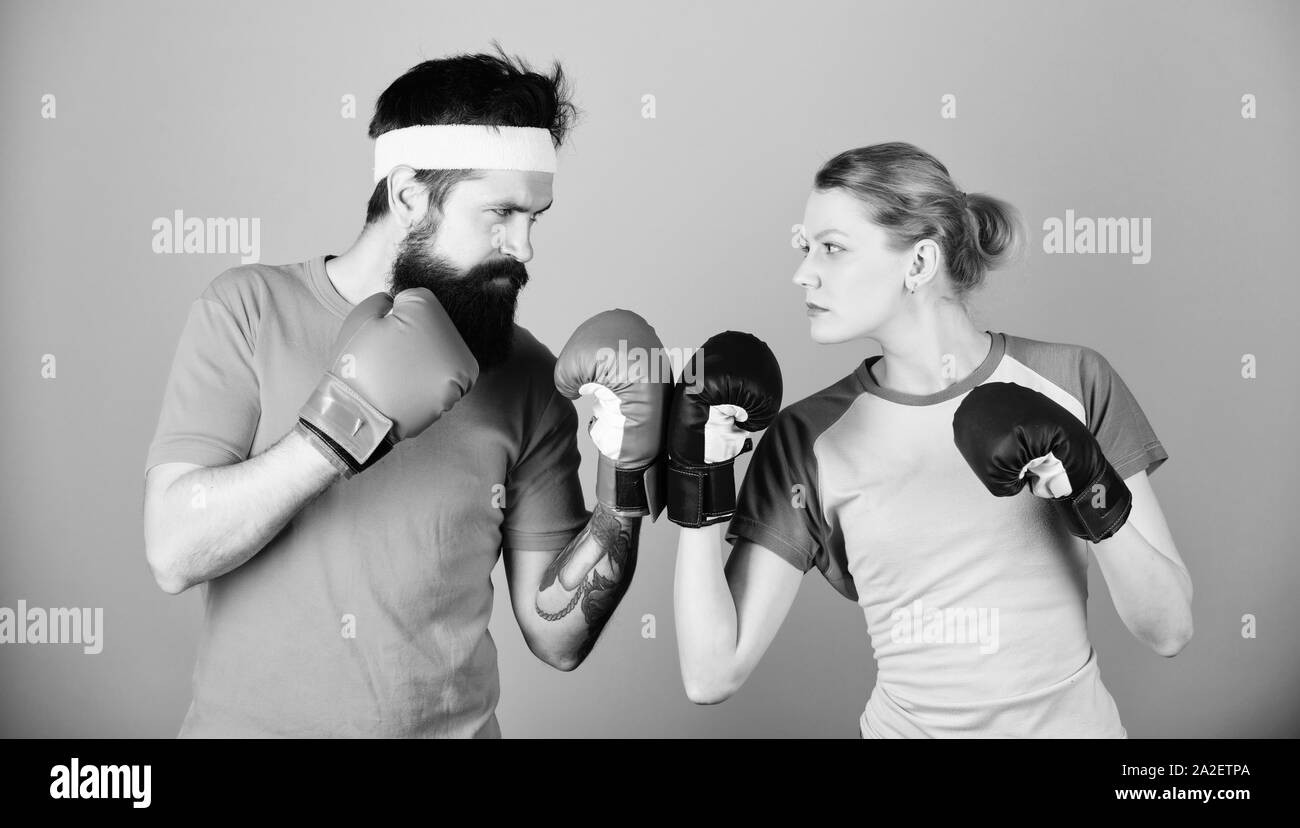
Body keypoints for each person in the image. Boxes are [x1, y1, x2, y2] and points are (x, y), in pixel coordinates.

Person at [142, 46, 671, 738]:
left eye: (535, 217)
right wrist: (341, 428)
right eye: (501, 214)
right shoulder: (247, 309)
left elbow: (557, 636)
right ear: (408, 196)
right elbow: (174, 551)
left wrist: (623, 487)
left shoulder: (527, 374)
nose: (526, 247)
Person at [669, 142, 1193, 738]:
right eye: (804, 246)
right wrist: (698, 476)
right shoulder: (806, 438)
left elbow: (1170, 629)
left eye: (832, 248)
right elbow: (711, 677)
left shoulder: (1073, 380)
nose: (803, 272)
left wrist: (1092, 486)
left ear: (918, 264)